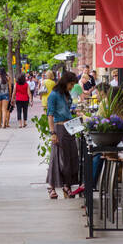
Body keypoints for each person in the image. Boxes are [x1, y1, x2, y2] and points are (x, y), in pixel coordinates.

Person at [46, 70, 79, 199]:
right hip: (59, 128)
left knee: (70, 157)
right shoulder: (54, 95)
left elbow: (68, 110)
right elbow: (50, 114)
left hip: (70, 127)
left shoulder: (67, 95)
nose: (72, 87)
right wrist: (52, 132)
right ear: (66, 82)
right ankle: (51, 186)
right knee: (57, 157)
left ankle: (67, 185)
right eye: (71, 84)